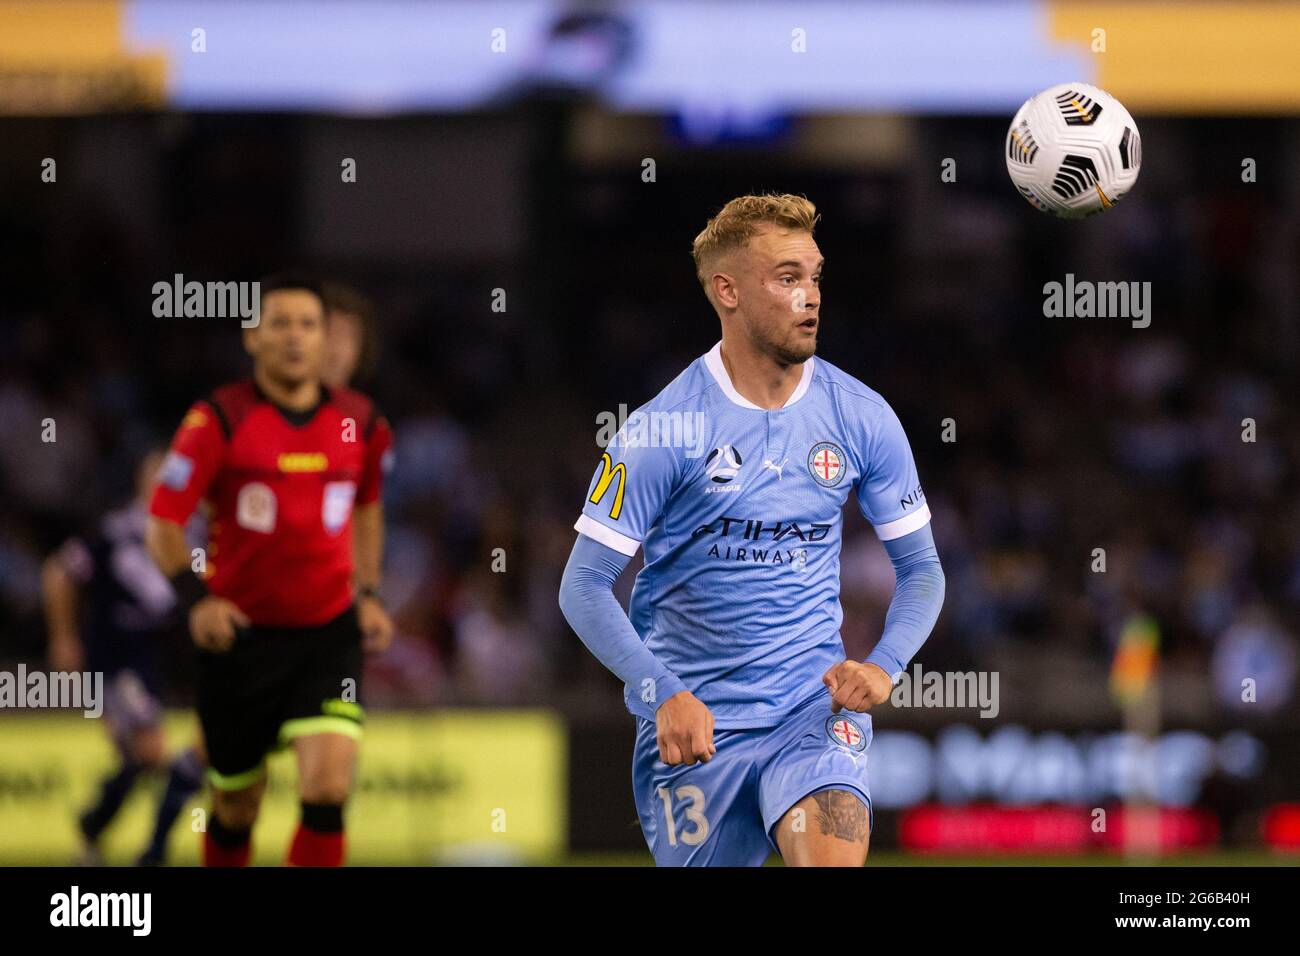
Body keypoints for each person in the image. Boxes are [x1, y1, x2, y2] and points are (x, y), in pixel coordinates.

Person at [559, 193, 945, 866]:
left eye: (815, 276)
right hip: (695, 728)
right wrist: (662, 693)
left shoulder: (862, 416)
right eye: (788, 277)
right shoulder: (661, 428)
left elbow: (922, 571)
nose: (811, 296)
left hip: (813, 716)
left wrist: (885, 667)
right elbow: (583, 588)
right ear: (727, 289)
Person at [145, 274, 394, 866]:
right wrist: (195, 599)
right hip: (241, 642)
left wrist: (370, 592)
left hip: (328, 635)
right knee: (236, 807)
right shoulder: (217, 420)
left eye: (308, 325)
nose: (296, 337)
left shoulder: (362, 421)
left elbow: (367, 508)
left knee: (328, 790)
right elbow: (162, 520)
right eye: (279, 324)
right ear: (252, 337)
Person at [42, 449, 205, 866]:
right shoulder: (116, 531)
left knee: (140, 759)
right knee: (151, 750)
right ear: (142, 483)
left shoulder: (190, 535)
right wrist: (63, 638)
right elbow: (59, 573)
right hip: (114, 659)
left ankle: (93, 827)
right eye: (160, 479)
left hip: (151, 659)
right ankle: (148, 851)